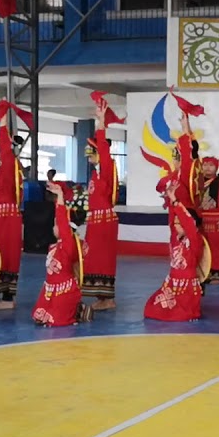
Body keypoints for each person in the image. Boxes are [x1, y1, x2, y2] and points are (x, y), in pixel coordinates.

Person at [31, 183, 91, 327]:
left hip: (65, 290)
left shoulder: (68, 244)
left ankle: (78, 310)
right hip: (50, 289)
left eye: (56, 224)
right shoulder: (55, 246)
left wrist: (60, 197)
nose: (54, 226)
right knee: (38, 316)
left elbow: (63, 222)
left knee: (56, 320)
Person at [144, 181, 205, 322]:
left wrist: (175, 200)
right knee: (151, 309)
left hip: (186, 287)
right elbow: (174, 217)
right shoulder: (176, 239)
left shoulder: (194, 240)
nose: (176, 225)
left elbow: (188, 221)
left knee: (181, 314)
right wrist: (170, 198)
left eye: (179, 223)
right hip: (172, 285)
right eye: (176, 223)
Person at [82, 99, 120, 311]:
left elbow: (104, 148)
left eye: (90, 148)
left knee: (102, 259)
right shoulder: (96, 173)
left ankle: (108, 299)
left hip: (104, 223)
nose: (87, 152)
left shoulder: (106, 165)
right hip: (96, 222)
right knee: (94, 258)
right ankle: (102, 297)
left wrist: (100, 123)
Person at [0, 102, 24, 311]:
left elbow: (4, 144)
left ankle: (8, 299)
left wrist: (2, 117)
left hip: (7, 219)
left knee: (6, 254)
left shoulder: (9, 164)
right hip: (1, 217)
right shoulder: (3, 168)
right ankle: (4, 296)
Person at [197, 156, 219, 284]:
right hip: (201, 218)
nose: (207, 168)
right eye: (205, 165)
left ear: (216, 167)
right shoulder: (197, 182)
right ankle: (204, 272)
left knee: (218, 247)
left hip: (217, 218)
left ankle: (217, 272)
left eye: (211, 165)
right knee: (202, 246)